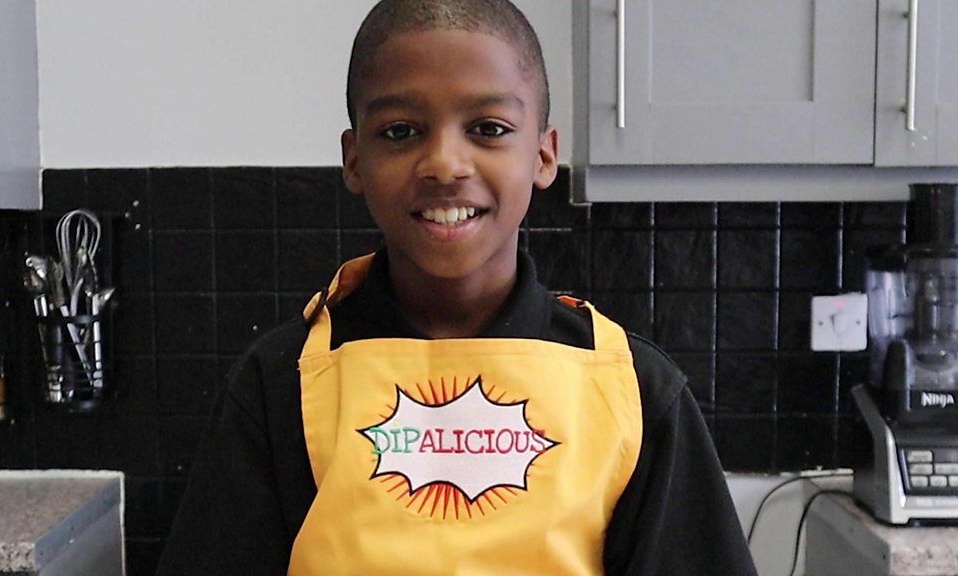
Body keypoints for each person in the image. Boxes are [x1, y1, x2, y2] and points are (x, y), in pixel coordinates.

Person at [156, 1, 757, 574]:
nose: (445, 164)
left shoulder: (631, 391)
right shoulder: (279, 383)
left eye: (489, 128)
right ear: (355, 160)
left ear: (543, 156)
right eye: (400, 132)